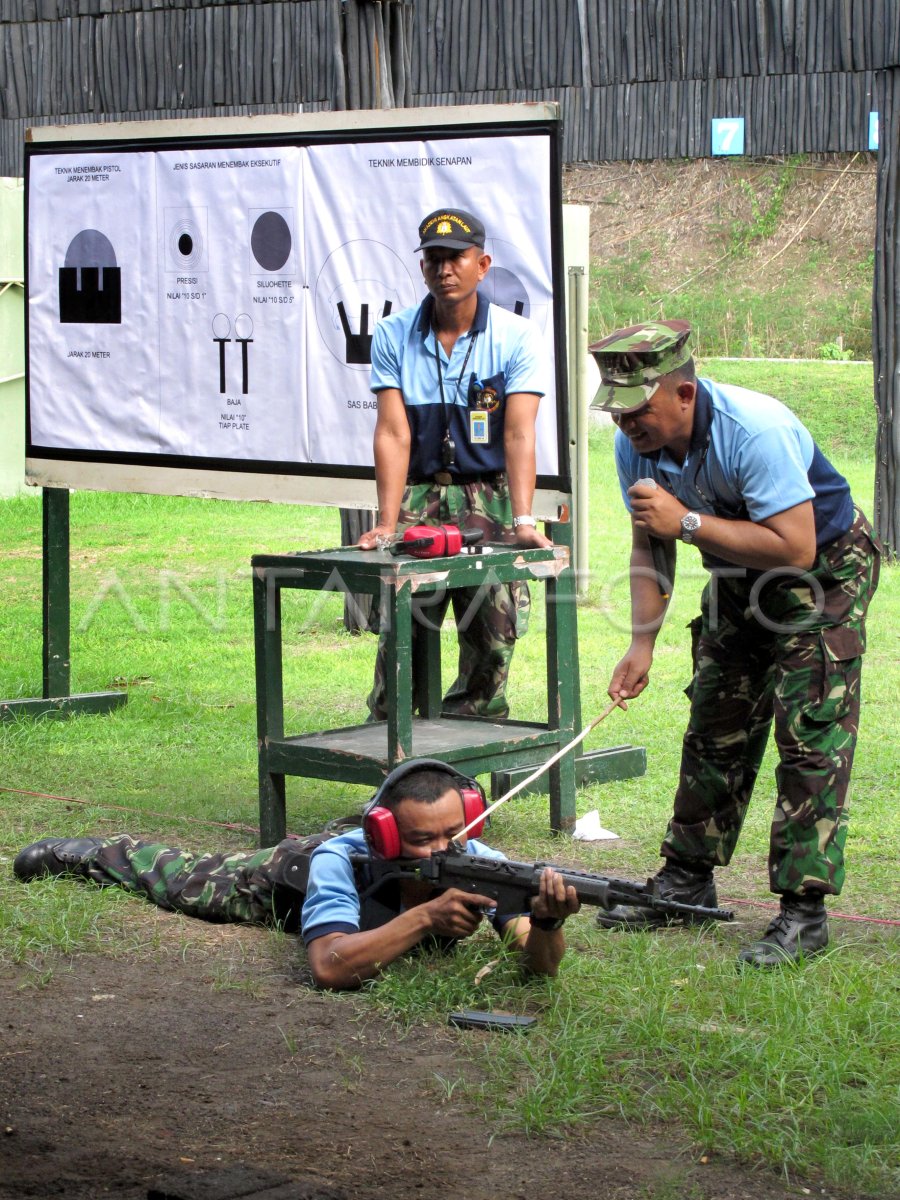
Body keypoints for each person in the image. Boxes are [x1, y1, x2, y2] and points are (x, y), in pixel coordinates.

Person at [588, 320, 881, 968]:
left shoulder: (756, 429)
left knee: (810, 728)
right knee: (716, 718)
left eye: (637, 410)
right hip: (739, 574)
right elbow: (649, 542)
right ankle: (685, 881)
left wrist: (687, 520)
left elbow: (796, 544)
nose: (625, 425)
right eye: (616, 412)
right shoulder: (633, 446)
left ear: (684, 394)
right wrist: (642, 643)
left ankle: (804, 913)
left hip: (823, 568)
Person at [12, 761, 580, 990]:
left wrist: (548, 924)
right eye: (421, 840)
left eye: (451, 834)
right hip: (279, 880)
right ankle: (87, 851)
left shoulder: (481, 860)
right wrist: (426, 916)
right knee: (182, 879)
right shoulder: (343, 858)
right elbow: (329, 967)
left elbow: (539, 966)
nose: (442, 849)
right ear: (384, 834)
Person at [357, 206, 552, 720]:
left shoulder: (516, 336)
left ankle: (471, 770)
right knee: (404, 636)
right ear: (422, 267)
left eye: (456, 258)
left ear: (482, 264)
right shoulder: (393, 334)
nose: (444, 269)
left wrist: (525, 520)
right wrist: (386, 523)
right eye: (434, 259)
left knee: (492, 637)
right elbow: (394, 432)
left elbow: (517, 432)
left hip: (488, 496)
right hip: (421, 495)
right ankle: (395, 760)